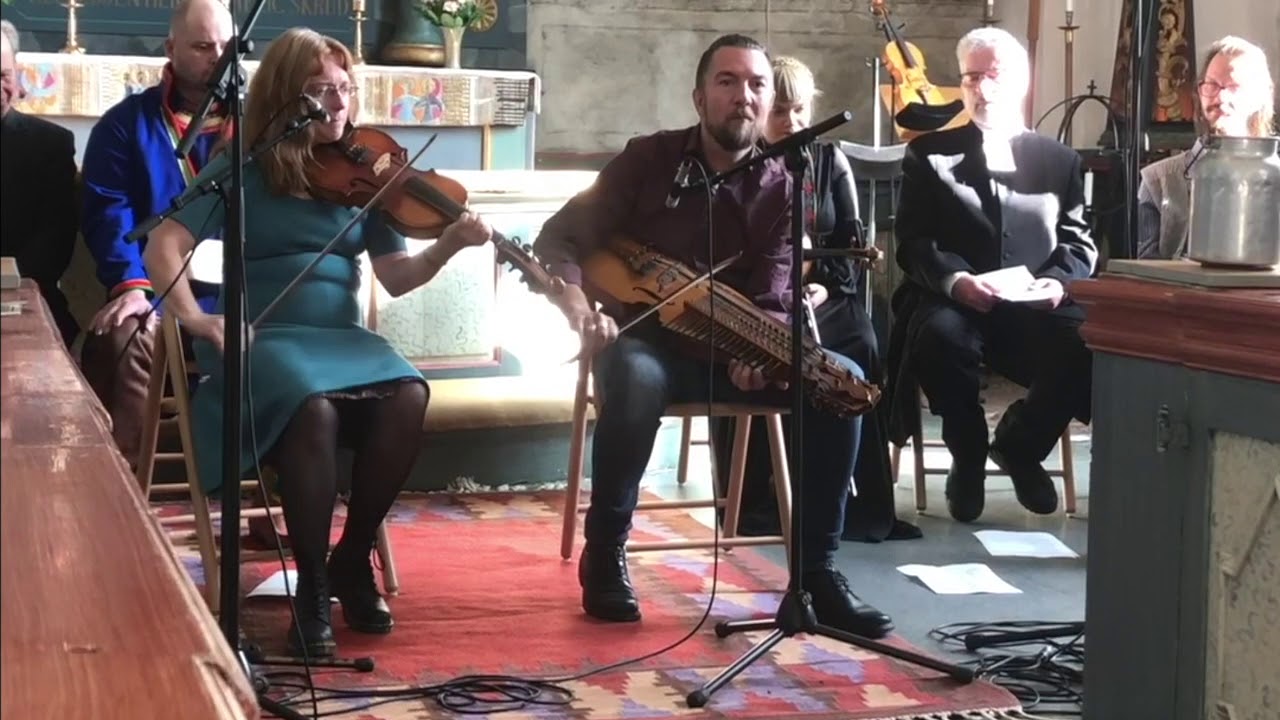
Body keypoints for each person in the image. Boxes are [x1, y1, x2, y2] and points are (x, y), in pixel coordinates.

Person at [142, 27, 494, 658]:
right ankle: (310, 588)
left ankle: (351, 557)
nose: (337, 102)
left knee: (409, 394)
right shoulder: (245, 167)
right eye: (320, 90)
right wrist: (199, 321)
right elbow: (164, 244)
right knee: (314, 407)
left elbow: (397, 276)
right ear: (285, 97)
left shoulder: (370, 172)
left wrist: (445, 246)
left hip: (340, 338)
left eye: (345, 88)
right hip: (264, 339)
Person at [532, 34, 893, 639]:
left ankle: (815, 575)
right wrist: (575, 304)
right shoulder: (648, 160)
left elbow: (774, 296)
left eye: (756, 85)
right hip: (648, 343)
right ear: (699, 97)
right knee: (634, 374)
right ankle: (606, 549)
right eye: (727, 82)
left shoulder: (783, 185)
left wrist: (764, 353)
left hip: (730, 353)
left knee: (843, 383)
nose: (743, 97)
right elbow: (558, 237)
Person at [885, 27, 1096, 524]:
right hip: (955, 300)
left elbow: (1078, 241)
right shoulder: (930, 154)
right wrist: (958, 282)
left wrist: (1058, 282)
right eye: (971, 77)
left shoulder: (1060, 160)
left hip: (1034, 304)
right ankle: (968, 456)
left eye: (993, 76)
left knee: (1086, 342)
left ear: (1021, 81)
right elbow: (914, 242)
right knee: (939, 338)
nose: (982, 88)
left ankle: (1020, 447)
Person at [709, 56, 920, 543]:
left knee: (863, 342)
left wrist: (826, 281)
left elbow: (848, 239)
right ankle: (757, 500)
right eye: (780, 111)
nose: (793, 123)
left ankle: (862, 504)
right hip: (758, 301)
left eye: (800, 110)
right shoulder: (739, 164)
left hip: (821, 295)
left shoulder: (829, 161)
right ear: (760, 111)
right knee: (765, 347)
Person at [78, 0, 233, 468]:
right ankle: (126, 486)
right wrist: (131, 285)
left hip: (241, 292)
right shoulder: (125, 125)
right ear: (170, 48)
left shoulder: (260, 126)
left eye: (227, 47)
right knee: (127, 333)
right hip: (160, 293)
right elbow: (110, 213)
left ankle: (283, 497)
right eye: (204, 46)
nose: (218, 56)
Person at [1137, 36, 1275, 260]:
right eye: (1211, 85)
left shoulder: (1274, 175)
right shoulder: (1158, 181)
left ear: (1260, 96)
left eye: (1233, 86)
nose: (1220, 97)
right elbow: (1145, 277)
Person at [0, 20, 80, 347]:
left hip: (23, 302)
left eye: (3, 76)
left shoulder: (50, 145)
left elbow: (53, 248)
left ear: (17, 75)